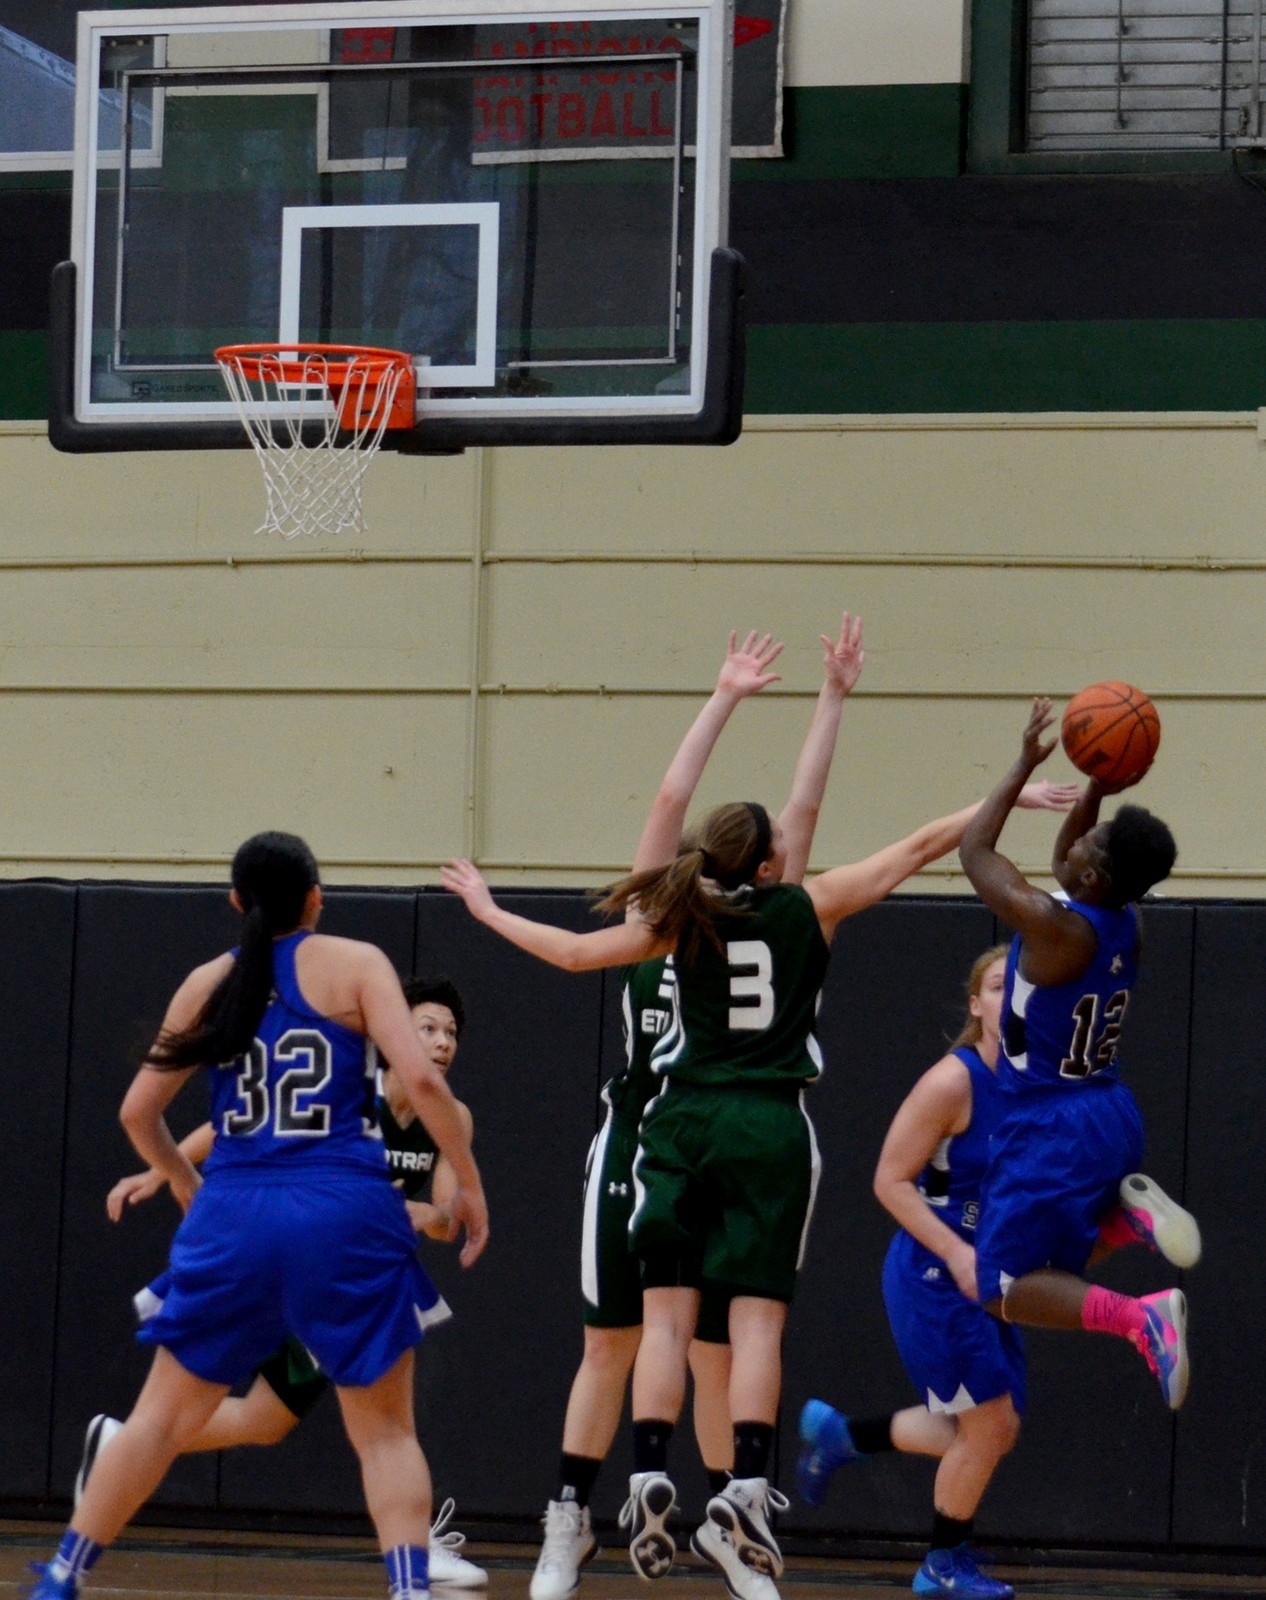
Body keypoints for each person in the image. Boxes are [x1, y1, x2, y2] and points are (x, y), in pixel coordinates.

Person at [442, 770, 1075, 1600]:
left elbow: (570, 952)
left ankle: (648, 1471)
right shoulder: (810, 905)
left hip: (681, 1124)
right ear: (774, 862)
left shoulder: (680, 918)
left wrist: (486, 909)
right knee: (752, 1333)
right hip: (769, 1127)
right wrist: (1004, 796)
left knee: (663, 1324)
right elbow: (921, 844)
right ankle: (742, 1485)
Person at [29, 832, 487, 1600]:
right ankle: (410, 1591)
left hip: (234, 1209)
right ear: (317, 896)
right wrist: (468, 1182)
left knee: (158, 1422)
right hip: (346, 1209)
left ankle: (60, 1578)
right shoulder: (357, 963)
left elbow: (139, 1112)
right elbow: (422, 1081)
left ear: (236, 903)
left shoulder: (207, 981)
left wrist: (183, 1181)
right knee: (384, 1433)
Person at [532, 618, 866, 1600]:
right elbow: (699, 802)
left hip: (713, 1132)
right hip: (642, 1136)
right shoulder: (654, 920)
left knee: (722, 1347)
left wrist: (819, 700)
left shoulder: (763, 912)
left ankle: (729, 1521)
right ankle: (567, 1522)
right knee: (613, 1341)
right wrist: (783, 696)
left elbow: (796, 811)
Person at [958, 699, 1196, 1413]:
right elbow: (1068, 863)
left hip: (1050, 1125)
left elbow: (975, 851)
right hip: (1107, 1112)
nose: (1079, 843)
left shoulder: (1061, 931)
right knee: (1055, 1264)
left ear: (1093, 878)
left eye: (1093, 842)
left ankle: (1142, 1317)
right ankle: (1127, 1221)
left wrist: (1025, 765)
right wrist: (1095, 781)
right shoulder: (1127, 919)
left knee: (1001, 1290)